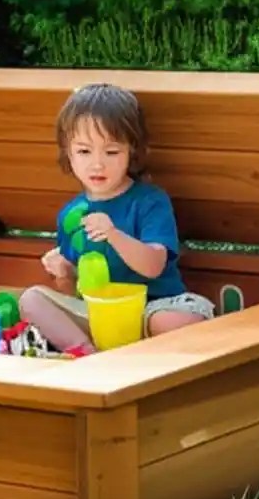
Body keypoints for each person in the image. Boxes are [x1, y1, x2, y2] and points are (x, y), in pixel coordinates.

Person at [17, 83, 215, 356]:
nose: (97, 164)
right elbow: (79, 291)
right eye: (84, 152)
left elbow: (154, 266)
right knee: (32, 299)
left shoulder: (149, 201)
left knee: (172, 320)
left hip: (152, 309)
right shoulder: (71, 215)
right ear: (68, 153)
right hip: (102, 315)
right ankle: (88, 355)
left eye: (111, 152)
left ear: (131, 151)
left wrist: (113, 234)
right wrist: (64, 273)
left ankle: (138, 350)